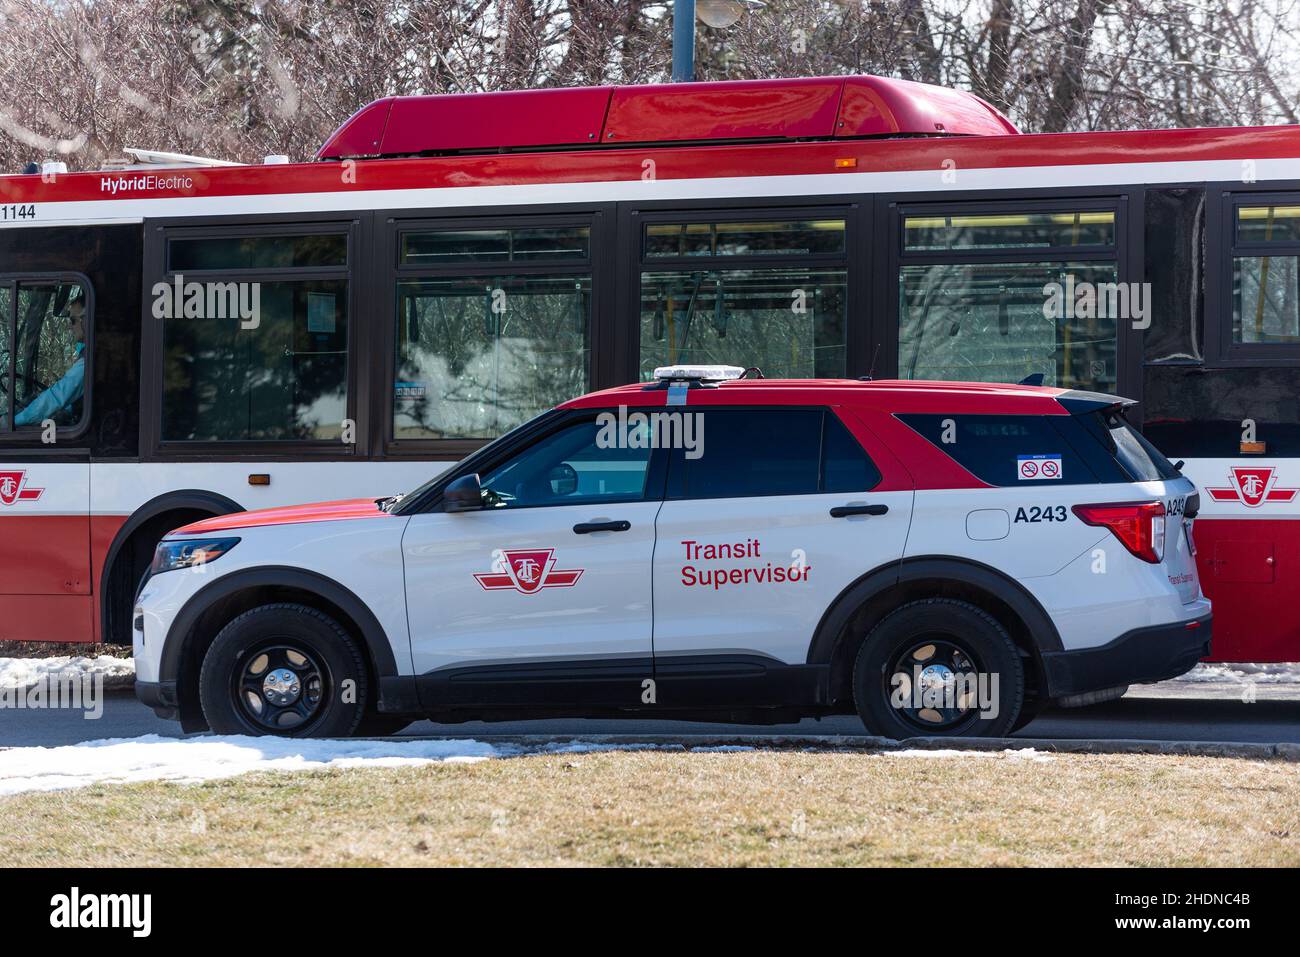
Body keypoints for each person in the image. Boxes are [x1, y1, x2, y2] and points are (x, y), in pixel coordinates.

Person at [16, 297, 86, 427]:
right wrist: (67, 411)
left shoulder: (88, 362)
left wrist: (13, 422)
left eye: (73, 320)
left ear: (87, 320)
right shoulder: (90, 353)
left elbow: (57, 397)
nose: (70, 327)